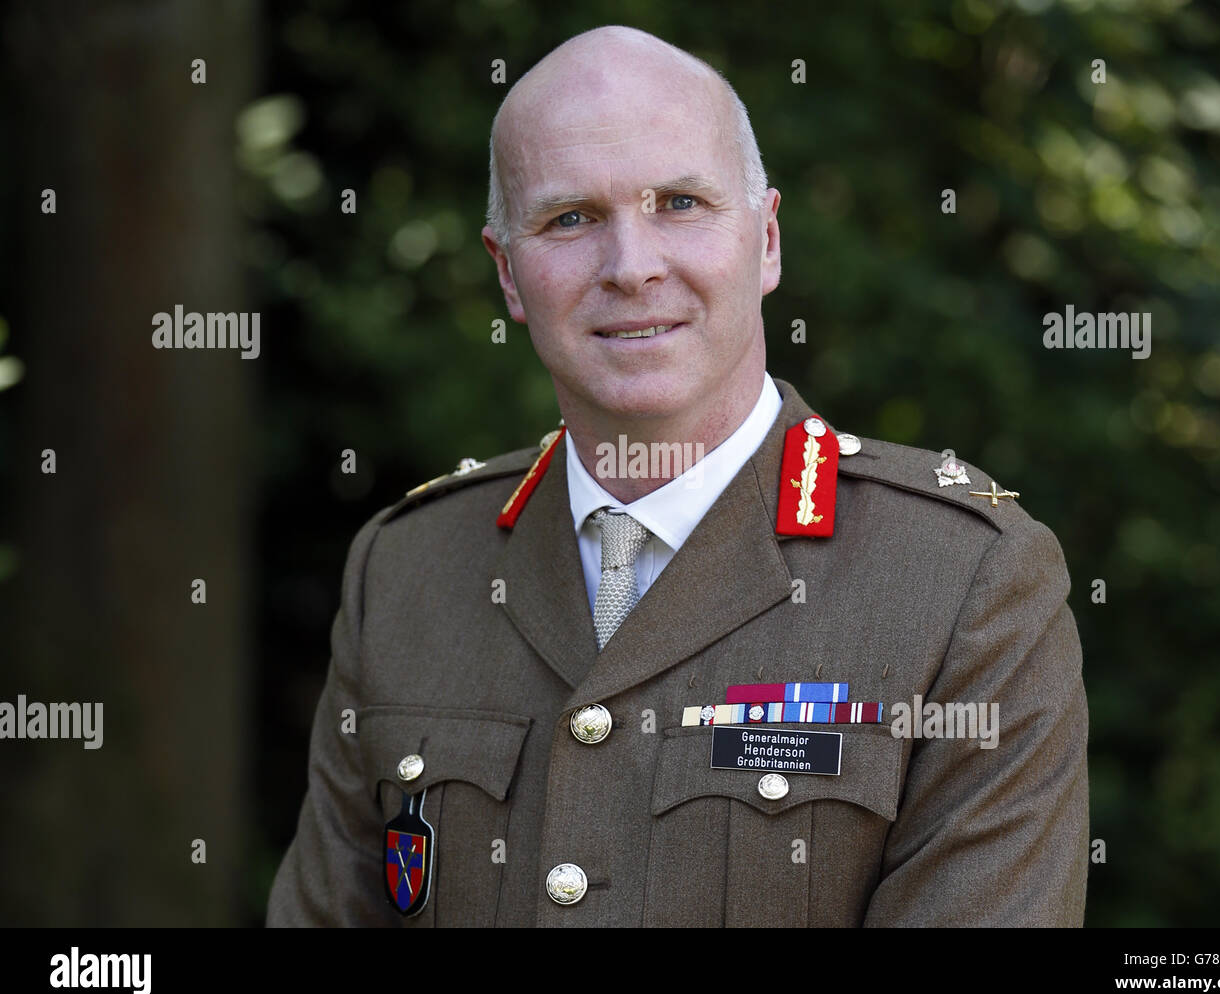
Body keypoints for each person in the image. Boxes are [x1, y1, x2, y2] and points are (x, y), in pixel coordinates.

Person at [267, 25, 1089, 927]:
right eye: (570, 218)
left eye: (682, 203)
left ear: (767, 240)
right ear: (509, 274)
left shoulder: (962, 582)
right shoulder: (406, 571)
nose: (633, 266)